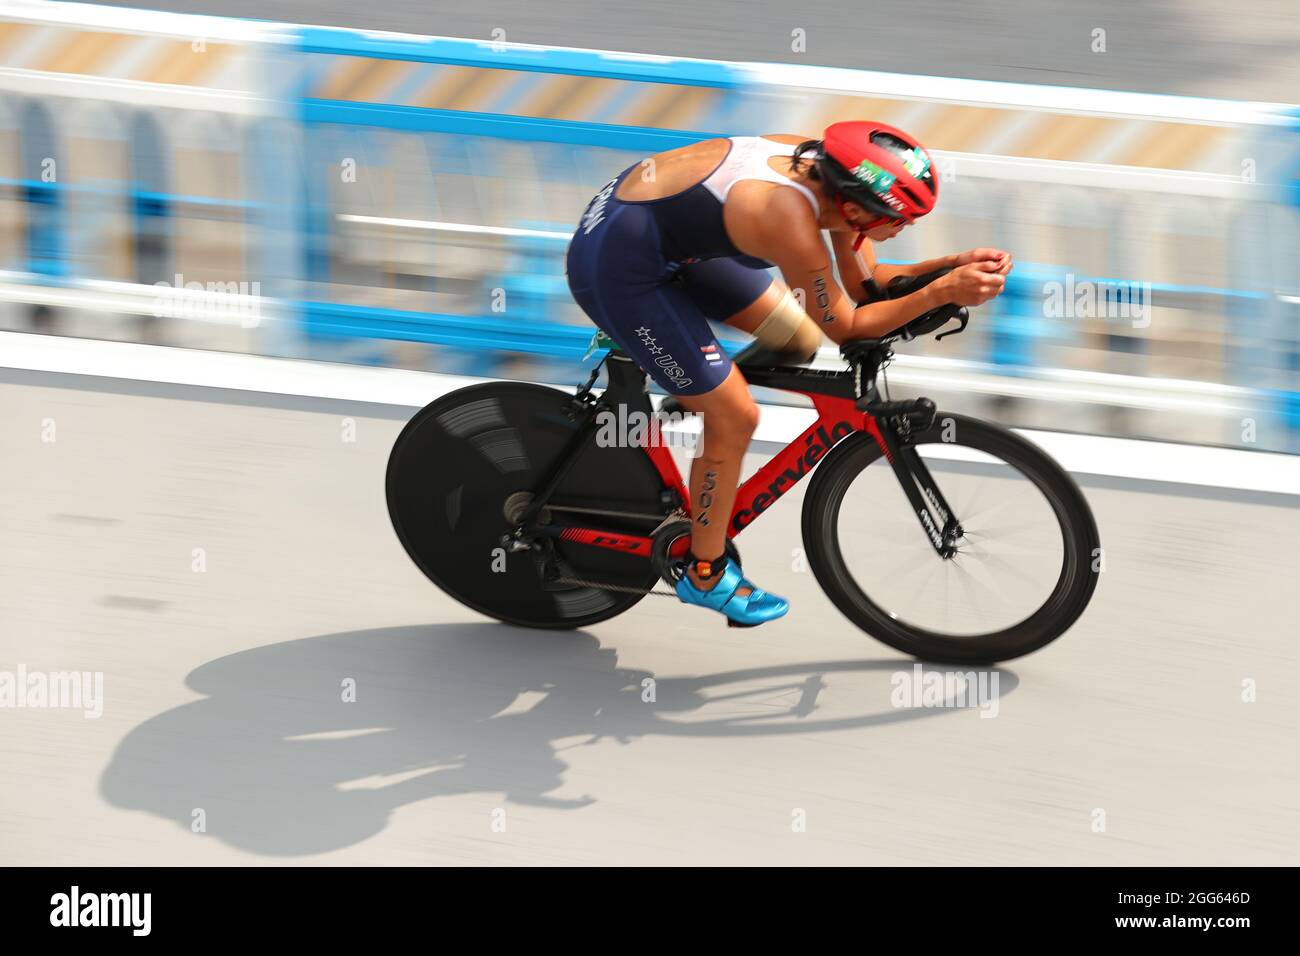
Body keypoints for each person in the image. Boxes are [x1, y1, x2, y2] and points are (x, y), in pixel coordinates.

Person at [564, 121, 1012, 627]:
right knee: (735, 417)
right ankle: (704, 572)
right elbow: (848, 327)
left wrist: (952, 267)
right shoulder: (787, 216)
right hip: (620, 265)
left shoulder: (835, 180)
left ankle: (692, 386)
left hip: (664, 237)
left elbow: (866, 286)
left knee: (795, 340)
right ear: (857, 205)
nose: (905, 227)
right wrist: (941, 292)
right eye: (901, 218)